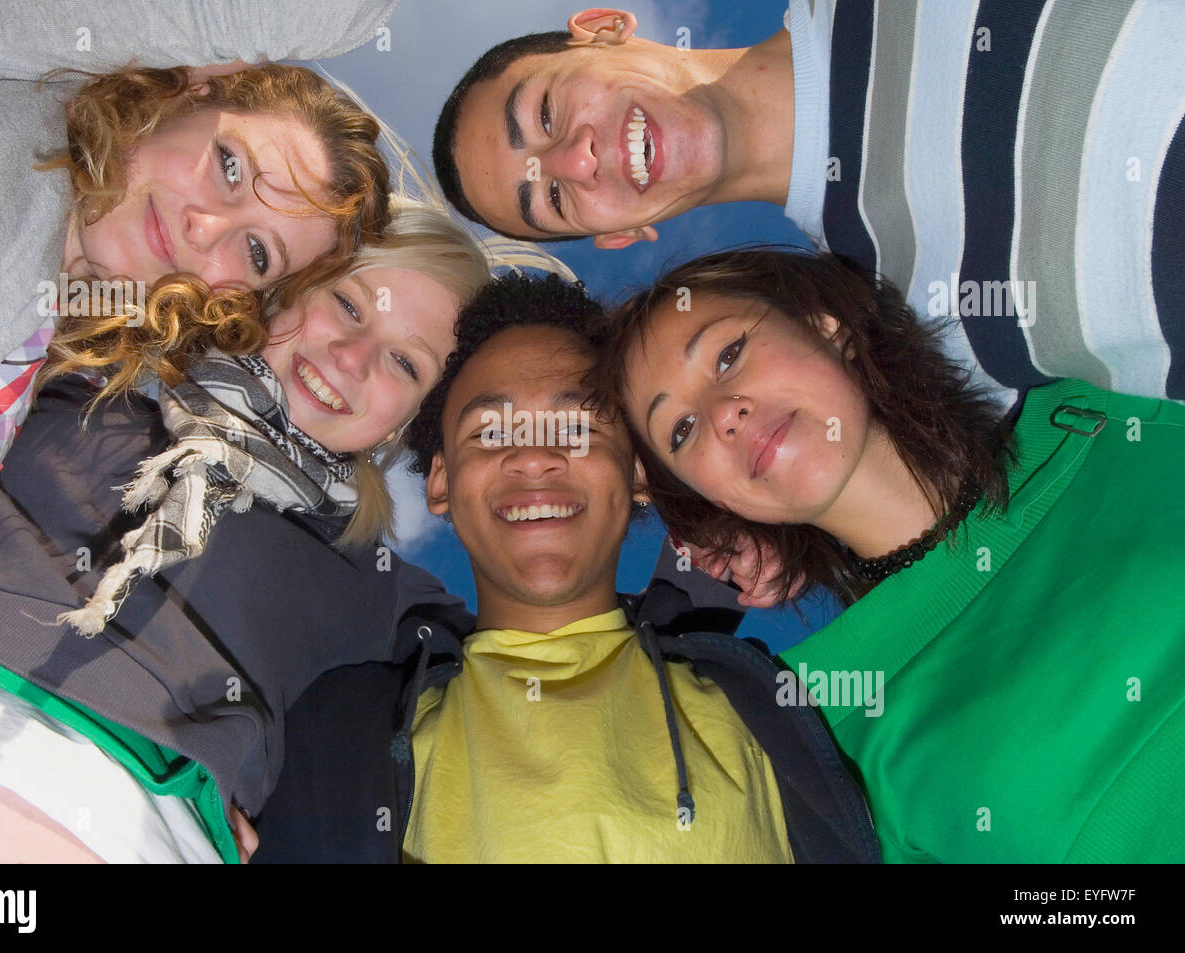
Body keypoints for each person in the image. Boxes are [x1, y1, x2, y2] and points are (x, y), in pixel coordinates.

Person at [0, 198, 492, 864]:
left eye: (406, 363)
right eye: (348, 305)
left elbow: (556, 667)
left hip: (119, 831)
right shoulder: (88, 359)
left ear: (409, 424)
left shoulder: (374, 584)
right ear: (286, 289)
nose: (353, 356)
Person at [250, 272, 880, 863]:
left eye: (578, 426)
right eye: (491, 432)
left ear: (637, 472)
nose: (535, 457)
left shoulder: (780, 710)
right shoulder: (325, 743)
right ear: (441, 481)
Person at [600, 247, 1185, 862]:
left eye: (727, 355)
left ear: (828, 326)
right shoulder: (829, 737)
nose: (723, 414)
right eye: (681, 432)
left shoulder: (1116, 406)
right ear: (708, 501)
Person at [431, 3, 1185, 406]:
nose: (575, 159)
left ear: (602, 29)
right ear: (624, 233)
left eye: (545, 115)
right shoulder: (915, 338)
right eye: (553, 198)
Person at [0, 0, 399, 542]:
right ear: (189, 93)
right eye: (230, 166)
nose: (206, 226)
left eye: (256, 251)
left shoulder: (82, 363)